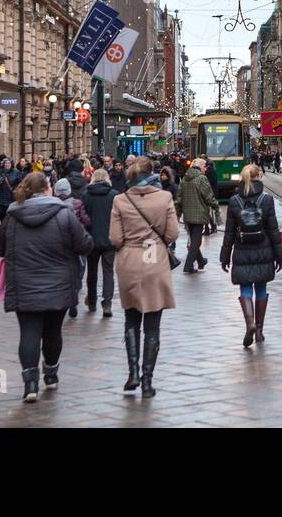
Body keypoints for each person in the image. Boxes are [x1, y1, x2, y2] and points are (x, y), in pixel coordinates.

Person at [0, 171, 93, 403]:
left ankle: (30, 385)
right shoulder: (64, 214)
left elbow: (0, 248)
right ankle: (50, 374)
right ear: (47, 189)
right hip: (58, 284)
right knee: (52, 331)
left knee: (28, 332)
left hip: (24, 283)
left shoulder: (12, 216)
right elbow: (84, 244)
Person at [110, 158, 179, 398]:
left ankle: (133, 373)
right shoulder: (164, 198)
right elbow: (172, 233)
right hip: (154, 260)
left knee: (131, 319)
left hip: (129, 261)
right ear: (152, 174)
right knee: (152, 325)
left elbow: (115, 239)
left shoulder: (120, 200)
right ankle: (147, 381)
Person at [219, 164, 282, 348]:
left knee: (245, 288)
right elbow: (273, 231)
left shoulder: (234, 200)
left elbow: (229, 232)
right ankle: (260, 331)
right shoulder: (267, 200)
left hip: (242, 250)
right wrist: (280, 256)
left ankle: (250, 324)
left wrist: (225, 257)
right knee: (261, 288)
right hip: (263, 249)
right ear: (259, 177)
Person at [54, 178, 92, 318]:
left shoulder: (53, 203)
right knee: (79, 268)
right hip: (76, 241)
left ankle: (62, 297)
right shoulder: (77, 203)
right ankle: (74, 295)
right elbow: (86, 221)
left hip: (59, 243)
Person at [82, 168, 118, 317]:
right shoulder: (114, 195)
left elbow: (83, 217)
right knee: (108, 272)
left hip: (91, 239)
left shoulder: (86, 195)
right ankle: (107, 303)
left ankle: (92, 301)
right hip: (109, 239)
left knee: (91, 272)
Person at [178, 158, 218, 273]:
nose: (206, 168)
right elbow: (208, 196)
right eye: (205, 166)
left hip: (187, 214)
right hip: (199, 214)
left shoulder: (185, 178)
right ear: (200, 166)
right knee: (196, 242)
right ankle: (188, 266)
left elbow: (179, 197)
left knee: (193, 240)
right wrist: (215, 205)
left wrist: (178, 213)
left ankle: (201, 261)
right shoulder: (202, 178)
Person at [0, 156, 19, 222]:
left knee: (10, 215)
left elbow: (20, 183)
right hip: (1, 197)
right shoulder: (0, 172)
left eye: (9, 163)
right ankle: (3, 225)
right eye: (6, 163)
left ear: (12, 164)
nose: (7, 164)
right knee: (1, 214)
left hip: (11, 197)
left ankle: (8, 226)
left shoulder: (16, 172)